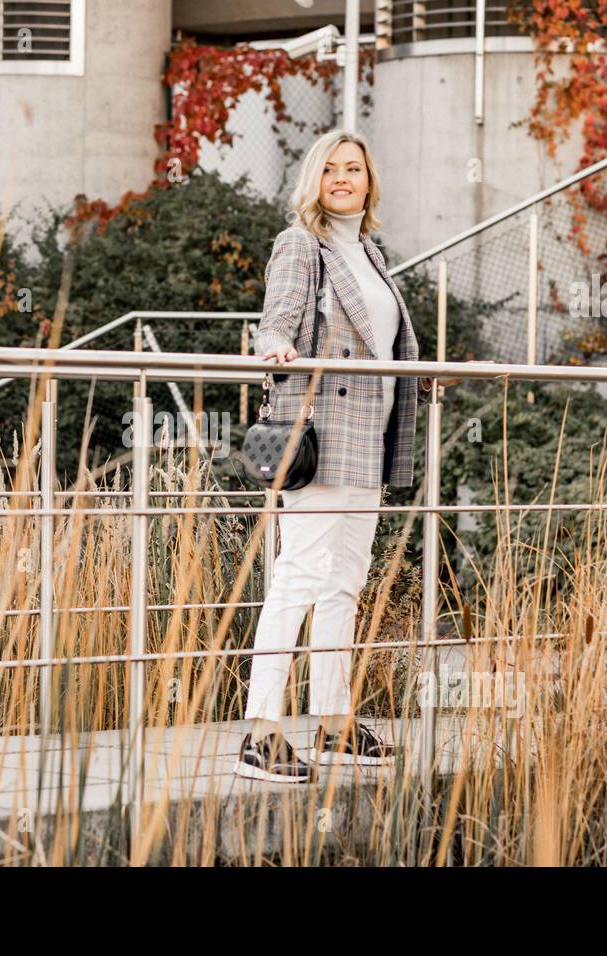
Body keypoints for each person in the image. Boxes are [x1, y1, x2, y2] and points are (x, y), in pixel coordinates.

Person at [235, 129, 463, 783]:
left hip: (374, 437)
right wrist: (275, 345)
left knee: (344, 584)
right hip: (320, 435)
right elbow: (278, 316)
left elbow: (383, 346)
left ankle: (333, 720)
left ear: (368, 181)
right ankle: (259, 731)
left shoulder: (369, 252)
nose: (342, 177)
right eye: (330, 168)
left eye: (353, 168)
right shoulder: (300, 243)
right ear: (315, 179)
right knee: (299, 577)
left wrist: (422, 375)